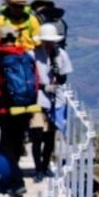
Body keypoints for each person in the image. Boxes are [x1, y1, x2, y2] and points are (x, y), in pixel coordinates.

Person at [0, 23, 40, 193]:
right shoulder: (26, 56)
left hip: (2, 110)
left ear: (0, 37)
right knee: (16, 145)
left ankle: (15, 182)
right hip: (24, 109)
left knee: (5, 147)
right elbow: (36, 81)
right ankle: (11, 179)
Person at [31, 23, 74, 177]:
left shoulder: (61, 55)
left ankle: (45, 165)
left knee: (49, 137)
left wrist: (56, 75)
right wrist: (43, 86)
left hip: (55, 100)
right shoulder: (34, 54)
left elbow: (63, 78)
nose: (48, 44)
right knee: (36, 135)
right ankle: (37, 169)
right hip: (37, 99)